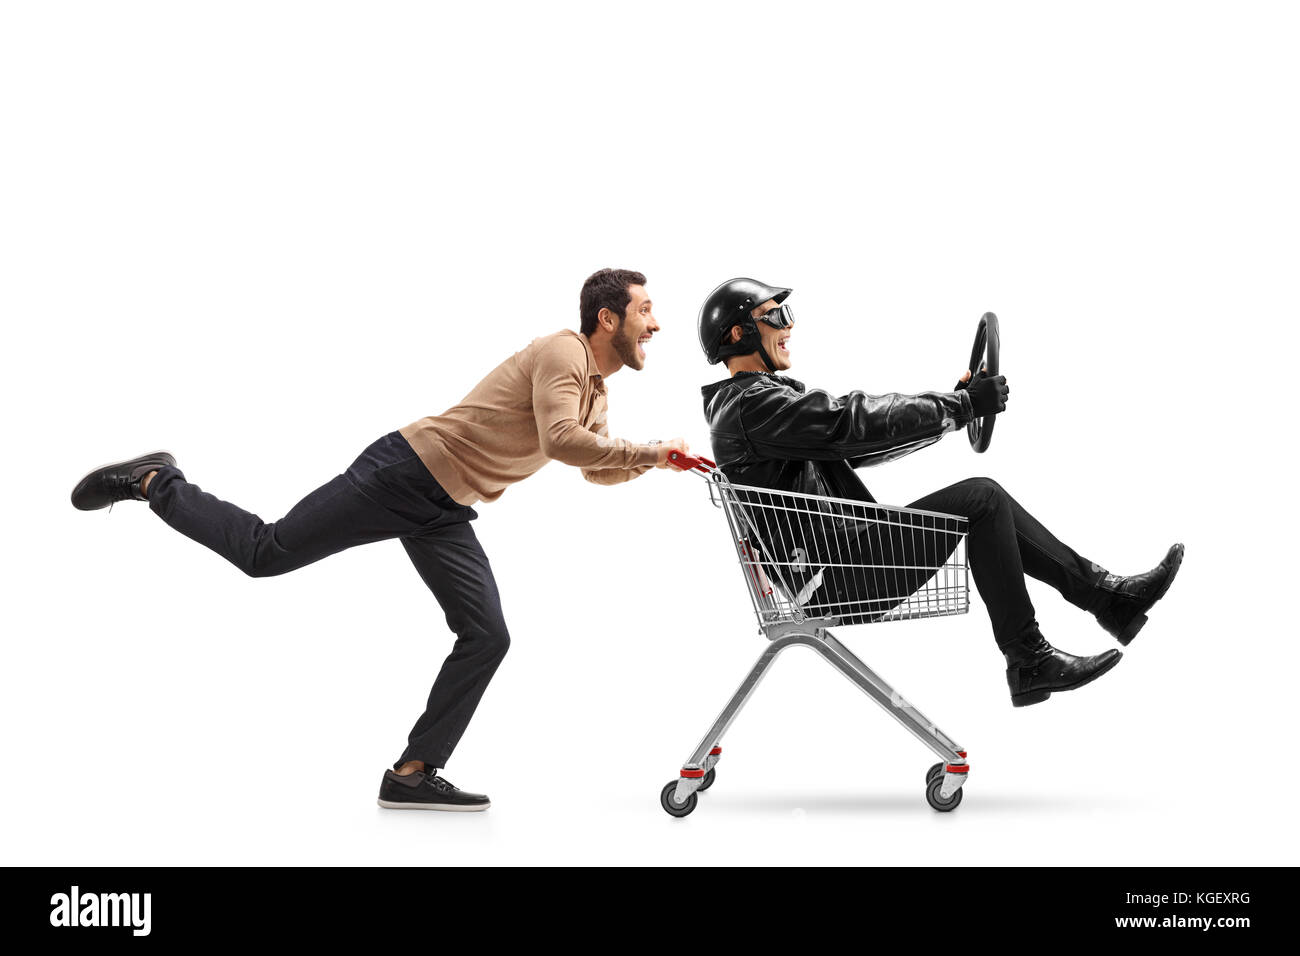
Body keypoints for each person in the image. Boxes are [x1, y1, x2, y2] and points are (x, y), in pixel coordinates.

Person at [71, 268, 690, 810]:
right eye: (645, 309)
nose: (655, 323)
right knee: (264, 552)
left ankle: (413, 775)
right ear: (607, 318)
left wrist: (660, 462)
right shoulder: (562, 350)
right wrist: (653, 450)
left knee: (487, 635)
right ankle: (156, 480)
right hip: (404, 472)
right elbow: (560, 440)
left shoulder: (597, 390)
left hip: (443, 506)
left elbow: (594, 465)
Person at [695, 277, 1183, 707]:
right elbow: (852, 419)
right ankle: (1037, 650)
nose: (788, 325)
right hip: (836, 575)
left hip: (841, 562)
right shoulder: (751, 404)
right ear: (739, 333)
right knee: (982, 500)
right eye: (775, 315)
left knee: (984, 501)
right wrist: (959, 404)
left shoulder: (759, 404)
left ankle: (1101, 604)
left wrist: (954, 413)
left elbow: (855, 445)